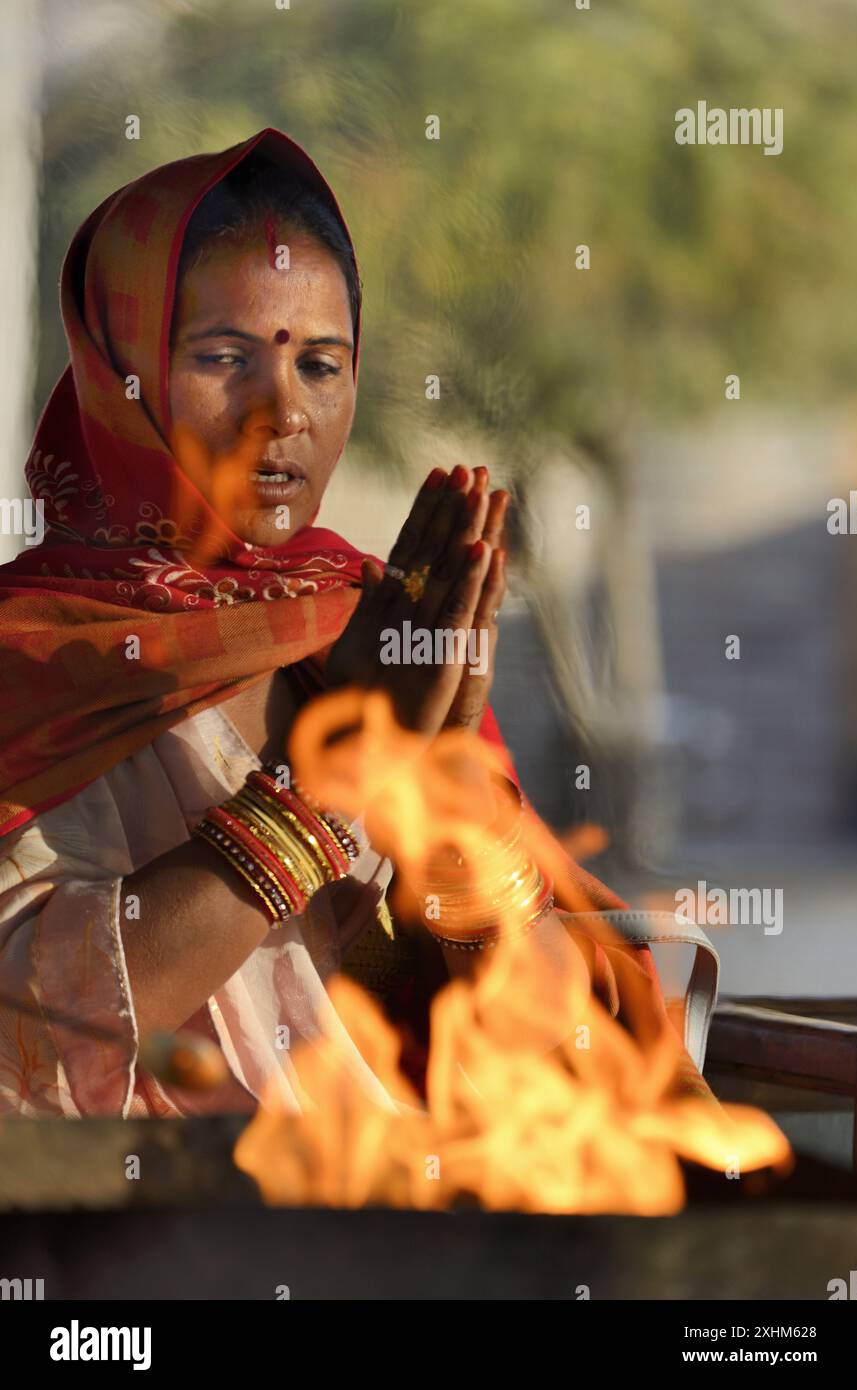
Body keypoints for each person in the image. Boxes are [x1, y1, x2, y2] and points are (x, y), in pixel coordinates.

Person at [0, 127, 713, 1118]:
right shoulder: (27, 659)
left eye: (321, 364)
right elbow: (35, 1041)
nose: (280, 410)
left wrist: (445, 784)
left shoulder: (355, 625)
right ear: (117, 368)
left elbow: (545, 1047)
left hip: (405, 1226)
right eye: (223, 357)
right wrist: (332, 786)